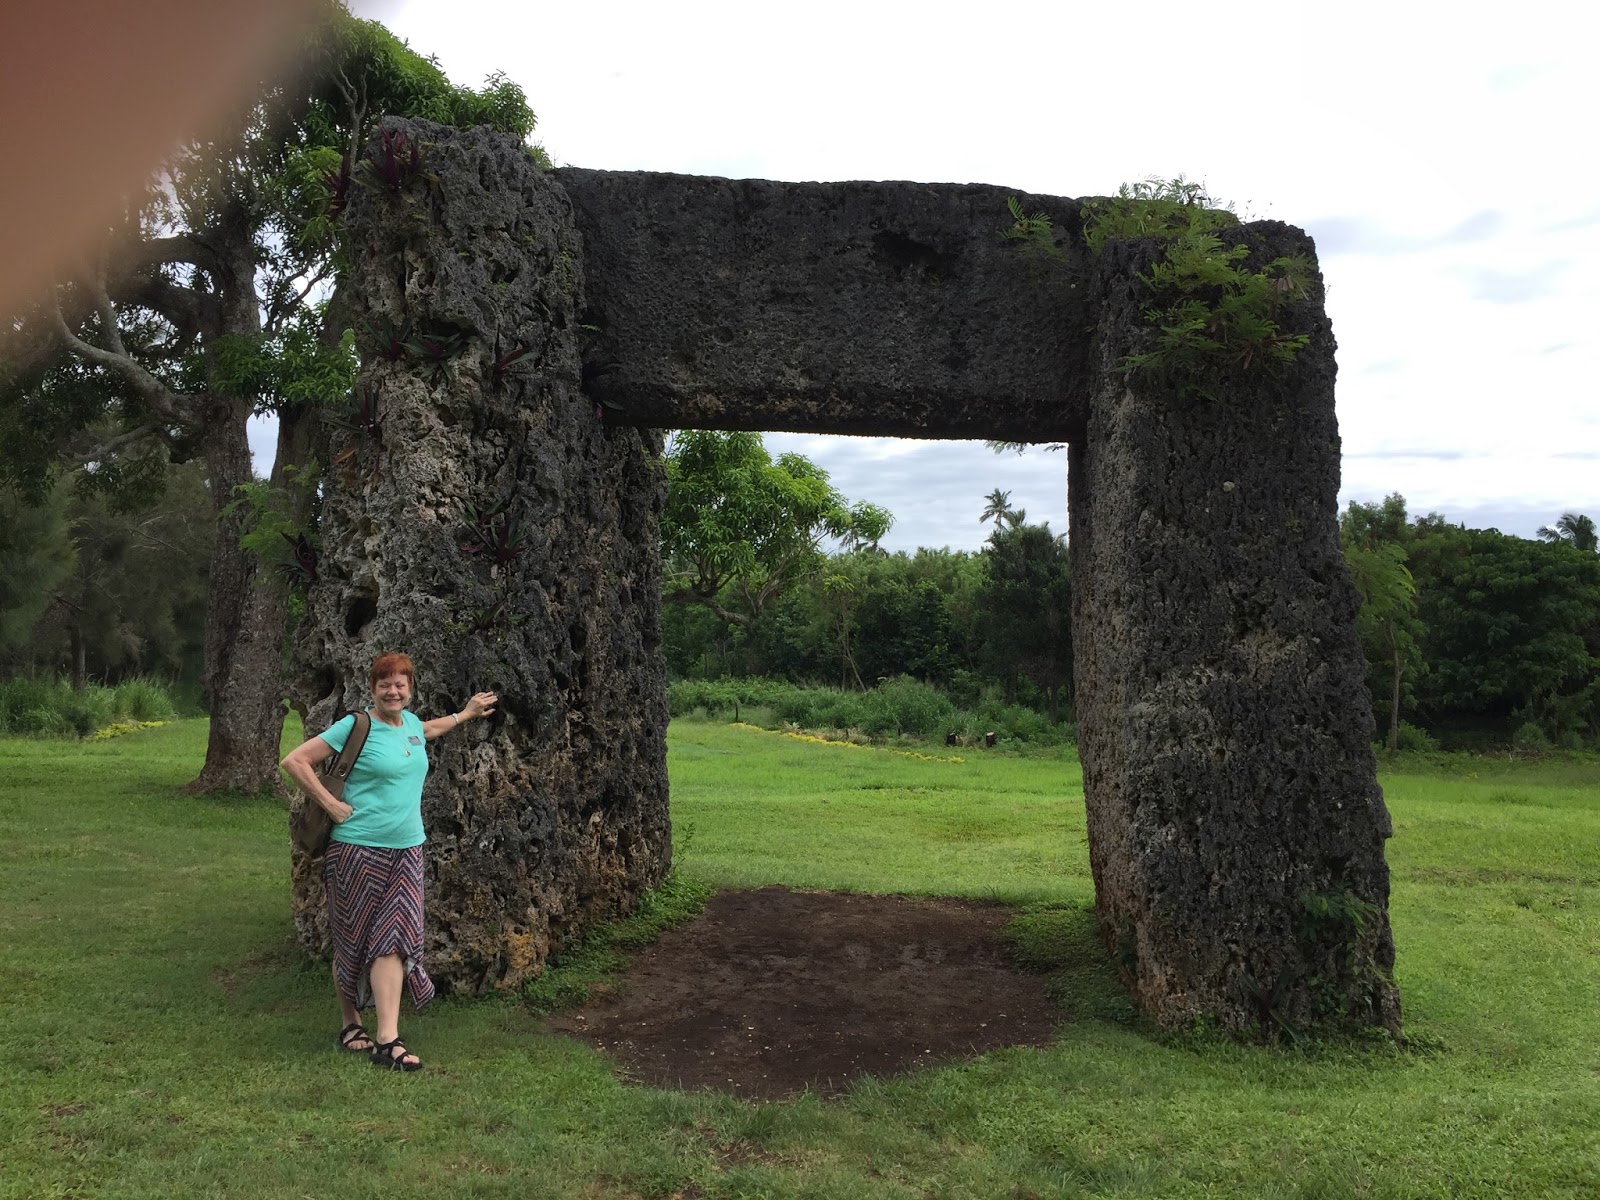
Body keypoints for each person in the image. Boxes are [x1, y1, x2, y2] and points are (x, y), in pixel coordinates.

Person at [280, 652, 497, 1071]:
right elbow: (295, 760)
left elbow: (430, 729)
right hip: (355, 851)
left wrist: (466, 714)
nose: (393, 691)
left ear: (409, 688)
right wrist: (331, 804)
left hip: (407, 851)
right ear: (373, 688)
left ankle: (388, 1039)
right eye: (385, 684)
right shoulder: (355, 725)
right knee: (353, 939)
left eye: (400, 684)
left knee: (395, 938)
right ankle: (350, 1023)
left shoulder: (412, 725)